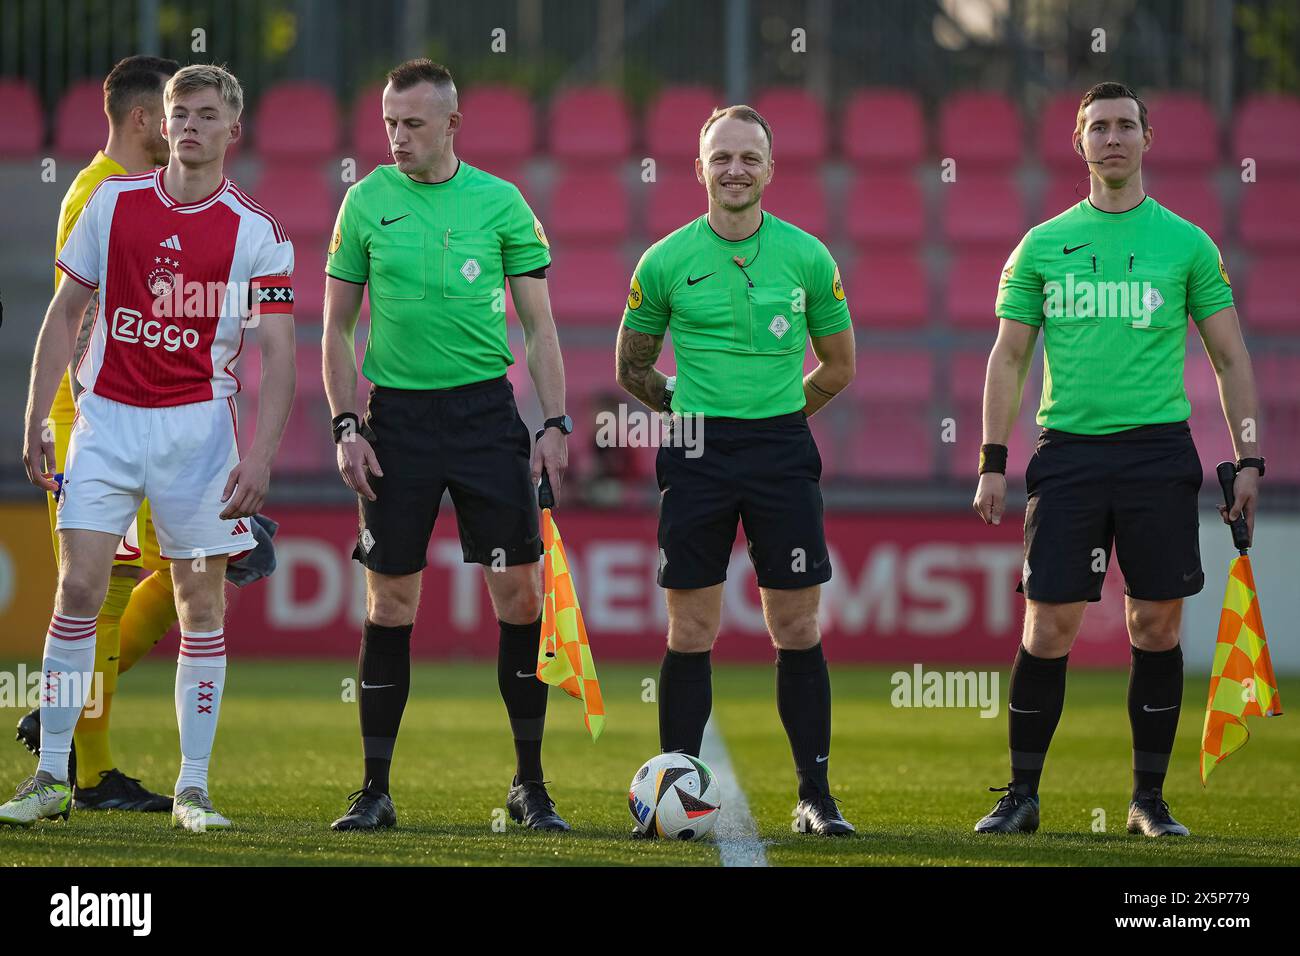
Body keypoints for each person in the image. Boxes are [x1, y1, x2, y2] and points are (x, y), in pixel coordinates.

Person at [0, 64, 296, 832]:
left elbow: (281, 352)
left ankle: (193, 790)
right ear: (160, 124)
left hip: (199, 431)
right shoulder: (110, 202)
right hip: (107, 423)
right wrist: (38, 417)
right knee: (78, 591)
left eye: (206, 114)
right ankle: (51, 779)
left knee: (201, 602)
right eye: (178, 113)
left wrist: (261, 455)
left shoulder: (258, 232)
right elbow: (65, 315)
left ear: (235, 130)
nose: (190, 125)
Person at [972, 82, 1263, 837]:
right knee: (1049, 626)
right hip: (1066, 454)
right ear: (1079, 143)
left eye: (1125, 126)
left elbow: (1230, 358)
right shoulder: (1040, 245)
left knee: (1157, 626)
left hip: (1158, 456)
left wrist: (1250, 457)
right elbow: (1008, 358)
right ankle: (1022, 794)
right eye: (1098, 126)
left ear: (1147, 139)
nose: (1112, 138)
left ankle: (1147, 802)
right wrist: (992, 458)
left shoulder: (1188, 243)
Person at [322, 59, 570, 831]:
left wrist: (555, 423)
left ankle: (529, 785)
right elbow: (335, 327)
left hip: (484, 421)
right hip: (395, 424)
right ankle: (374, 791)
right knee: (390, 601)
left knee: (520, 596)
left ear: (452, 125)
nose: (397, 137)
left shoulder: (501, 203)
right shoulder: (364, 203)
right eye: (390, 123)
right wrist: (345, 425)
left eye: (414, 123)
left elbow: (538, 327)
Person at [615, 105, 857, 836]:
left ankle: (815, 798)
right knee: (690, 626)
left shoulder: (809, 258)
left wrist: (781, 414)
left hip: (781, 449)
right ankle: (673, 792)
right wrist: (686, 407)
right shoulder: (663, 260)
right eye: (721, 157)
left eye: (749, 157)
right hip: (697, 451)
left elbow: (840, 366)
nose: (735, 170)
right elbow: (631, 366)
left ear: (771, 168)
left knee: (796, 623)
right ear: (699, 169)